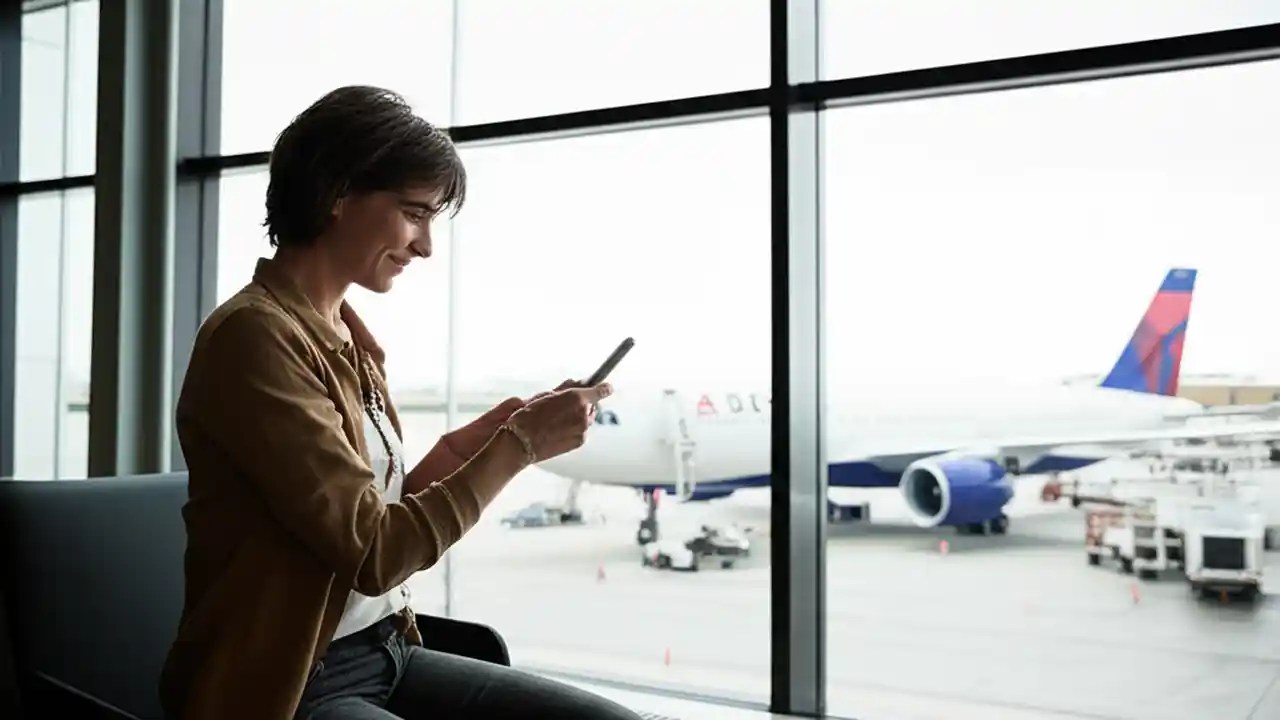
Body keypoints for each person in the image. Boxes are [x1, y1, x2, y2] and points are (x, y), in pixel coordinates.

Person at [159, 85, 642, 720]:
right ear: (336, 194)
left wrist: (485, 443)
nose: (425, 246)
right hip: (289, 681)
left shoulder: (348, 336)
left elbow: (374, 511)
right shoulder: (254, 338)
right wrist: (518, 447)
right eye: (415, 213)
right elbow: (375, 553)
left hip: (386, 650)